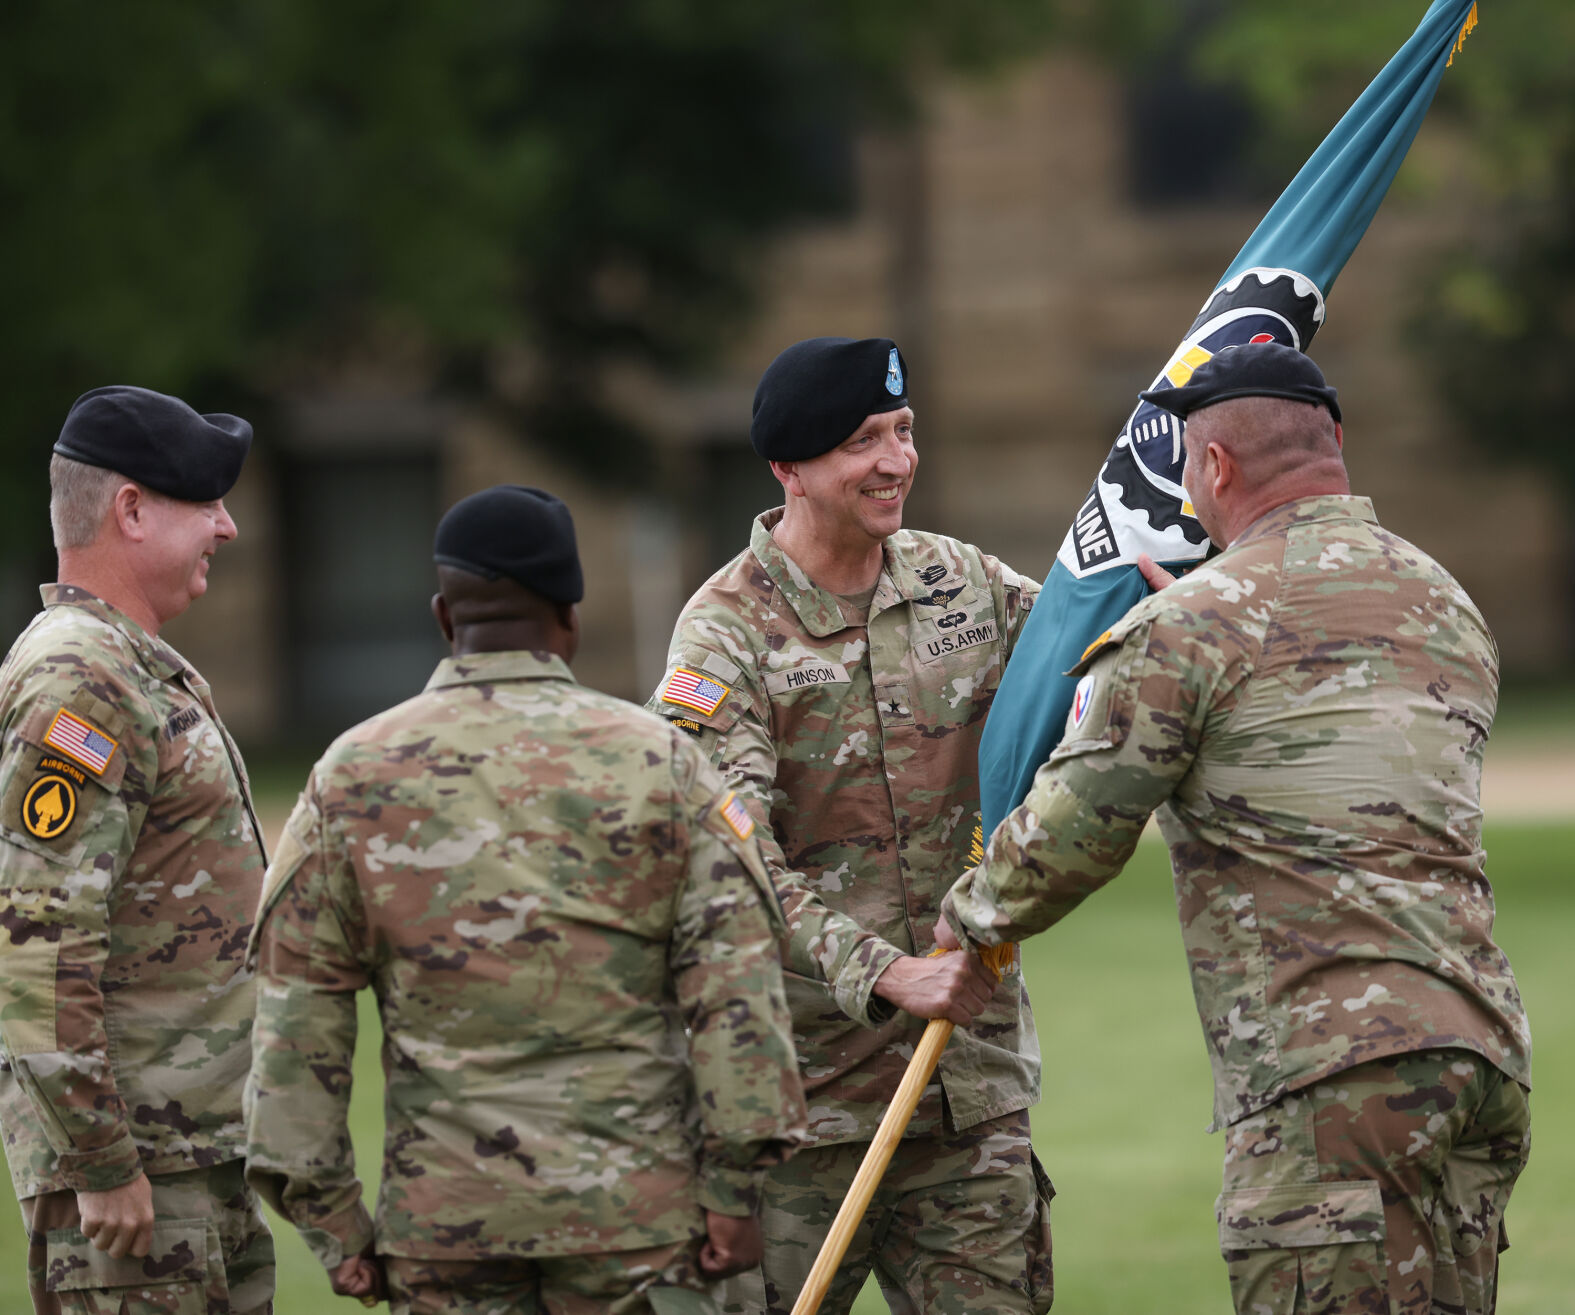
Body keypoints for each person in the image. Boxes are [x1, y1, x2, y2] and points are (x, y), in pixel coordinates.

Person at [938, 342, 1532, 1315]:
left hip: (1329, 1078)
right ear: (1332, 439)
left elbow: (1070, 838)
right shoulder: (1448, 602)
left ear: (1213, 468)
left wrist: (965, 918)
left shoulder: (1193, 627)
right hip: (1481, 1057)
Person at [245, 484, 807, 1314]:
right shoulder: (662, 764)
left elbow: (298, 1013)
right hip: (638, 1221)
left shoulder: (351, 776)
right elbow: (736, 986)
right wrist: (733, 1186)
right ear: (570, 619)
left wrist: (333, 1221)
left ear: (443, 617)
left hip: (445, 1228)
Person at [650, 338, 1054, 1315]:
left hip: (966, 1092)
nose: (895, 460)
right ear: (788, 468)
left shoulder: (963, 583)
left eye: (903, 432)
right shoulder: (726, 635)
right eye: (861, 441)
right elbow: (728, 858)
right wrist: (885, 972)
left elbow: (1084, 675)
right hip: (798, 1114)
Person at [0, 386, 275, 1314]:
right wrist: (103, 1163)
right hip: (137, 1190)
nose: (227, 528)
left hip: (191, 1160)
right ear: (130, 509)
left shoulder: (123, 663)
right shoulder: (80, 678)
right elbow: (34, 943)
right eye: (207, 501)